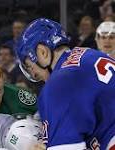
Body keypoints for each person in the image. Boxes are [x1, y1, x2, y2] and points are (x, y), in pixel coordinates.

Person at [16, 18, 115, 150]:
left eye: (30, 66)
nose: (34, 75)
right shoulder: (90, 54)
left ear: (42, 52)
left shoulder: (59, 83)